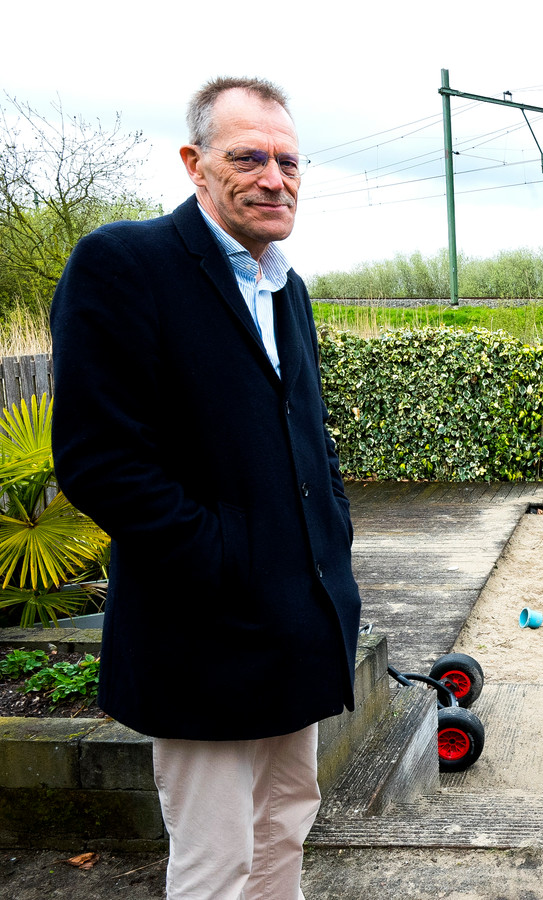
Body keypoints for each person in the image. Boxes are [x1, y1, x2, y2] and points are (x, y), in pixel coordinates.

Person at [50, 78, 361, 900]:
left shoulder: (286, 287)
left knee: (287, 824)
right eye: (248, 157)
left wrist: (332, 530)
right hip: (203, 634)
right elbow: (98, 460)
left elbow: (307, 438)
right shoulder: (124, 264)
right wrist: (225, 558)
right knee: (217, 860)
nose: (274, 178)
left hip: (295, 627)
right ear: (195, 163)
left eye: (288, 162)